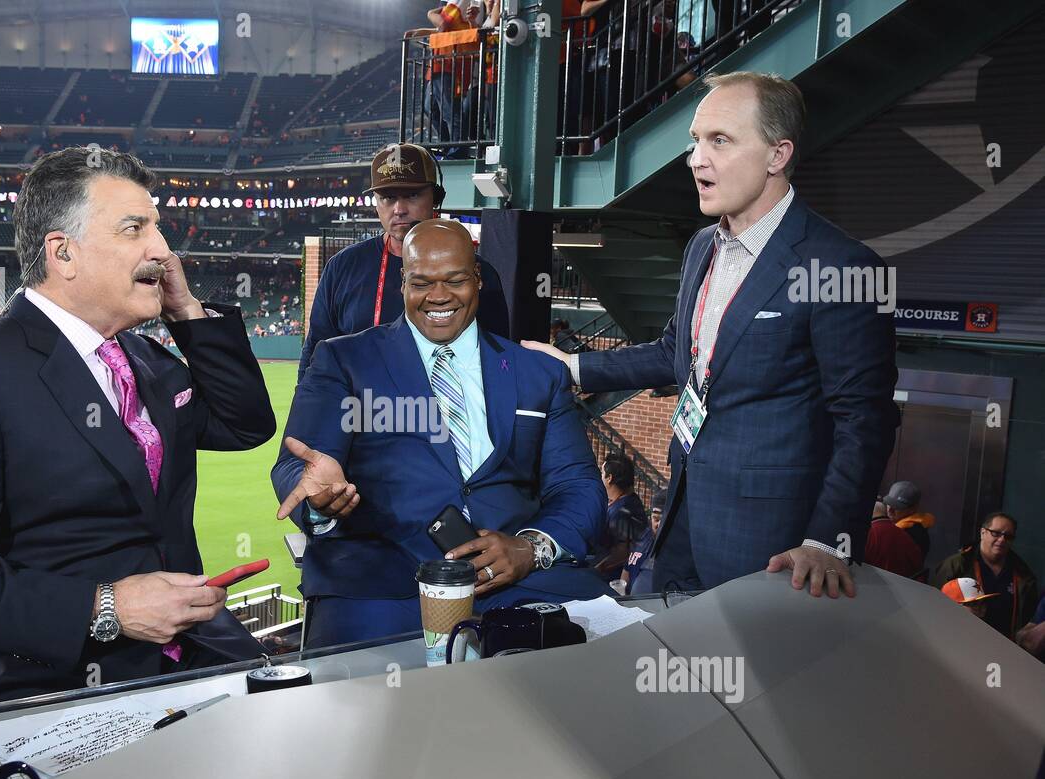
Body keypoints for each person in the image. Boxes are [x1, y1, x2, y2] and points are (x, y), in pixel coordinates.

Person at [0, 147, 274, 710]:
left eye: (157, 229)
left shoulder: (148, 361)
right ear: (63, 253)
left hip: (193, 660)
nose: (162, 251)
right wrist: (105, 608)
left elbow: (245, 424)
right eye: (135, 229)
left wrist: (187, 316)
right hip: (46, 689)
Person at [523, 71, 898, 599]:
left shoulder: (842, 267)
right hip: (681, 518)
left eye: (719, 140)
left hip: (772, 550)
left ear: (777, 155)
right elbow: (678, 353)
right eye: (695, 141)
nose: (696, 159)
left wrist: (827, 541)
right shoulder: (702, 246)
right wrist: (575, 368)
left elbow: (865, 418)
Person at [272, 220, 609, 647]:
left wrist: (529, 548)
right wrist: (320, 501)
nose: (438, 296)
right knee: (362, 704)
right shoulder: (343, 360)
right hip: (378, 588)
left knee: (610, 665)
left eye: (454, 280)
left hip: (519, 585)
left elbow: (579, 486)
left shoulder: (538, 373)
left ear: (478, 280)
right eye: (421, 282)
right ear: (402, 283)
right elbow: (298, 466)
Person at [297, 143, 510, 379]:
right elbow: (316, 352)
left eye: (412, 195)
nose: (399, 209)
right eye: (387, 197)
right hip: (359, 410)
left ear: (435, 198)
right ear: (376, 203)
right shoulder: (342, 267)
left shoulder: (477, 273)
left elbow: (498, 358)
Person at [932, 513, 1039, 644]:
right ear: (983, 532)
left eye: (1008, 536)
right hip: (961, 642)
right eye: (996, 533)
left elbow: (1026, 619)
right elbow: (933, 605)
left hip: (1004, 647)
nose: (1002, 539)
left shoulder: (1023, 574)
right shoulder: (958, 565)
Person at [590, 452, 648, 580]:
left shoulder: (621, 512)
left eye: (602, 474)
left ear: (609, 478)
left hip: (611, 578)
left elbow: (623, 552)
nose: (600, 478)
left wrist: (595, 570)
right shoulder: (632, 500)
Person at [881, 479, 934, 571]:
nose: (890, 510)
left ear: (913, 509)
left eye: (897, 507)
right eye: (889, 504)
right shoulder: (888, 524)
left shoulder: (915, 536)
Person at [864, 500, 923, 579]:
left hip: (872, 585)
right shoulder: (905, 535)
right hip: (904, 586)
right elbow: (918, 563)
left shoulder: (867, 534)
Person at [625, 489, 666, 594]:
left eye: (663, 519)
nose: (658, 525)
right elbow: (627, 569)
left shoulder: (674, 552)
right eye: (655, 519)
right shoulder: (643, 536)